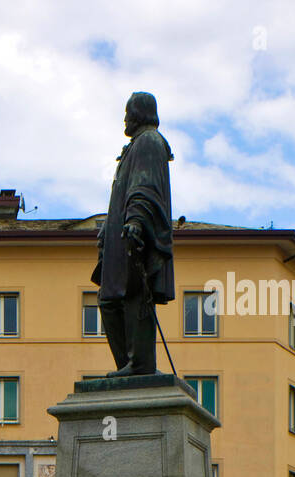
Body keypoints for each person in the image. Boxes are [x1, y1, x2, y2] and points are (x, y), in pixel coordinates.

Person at [91, 91, 175, 378]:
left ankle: (139, 364)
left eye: (128, 112)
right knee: (110, 299)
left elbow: (146, 186)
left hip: (134, 234)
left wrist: (137, 222)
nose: (124, 118)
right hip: (119, 235)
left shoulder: (149, 142)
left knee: (135, 295)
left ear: (139, 113)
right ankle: (128, 366)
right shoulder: (135, 146)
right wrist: (107, 229)